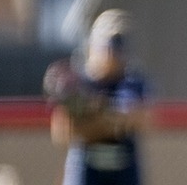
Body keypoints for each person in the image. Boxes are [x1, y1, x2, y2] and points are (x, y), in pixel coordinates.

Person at [50, 9, 150, 185]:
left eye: (118, 45)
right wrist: (110, 122)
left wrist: (92, 117)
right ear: (92, 45)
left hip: (124, 174)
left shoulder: (133, 82)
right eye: (108, 45)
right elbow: (62, 132)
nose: (113, 53)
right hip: (86, 173)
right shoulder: (78, 82)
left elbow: (140, 118)